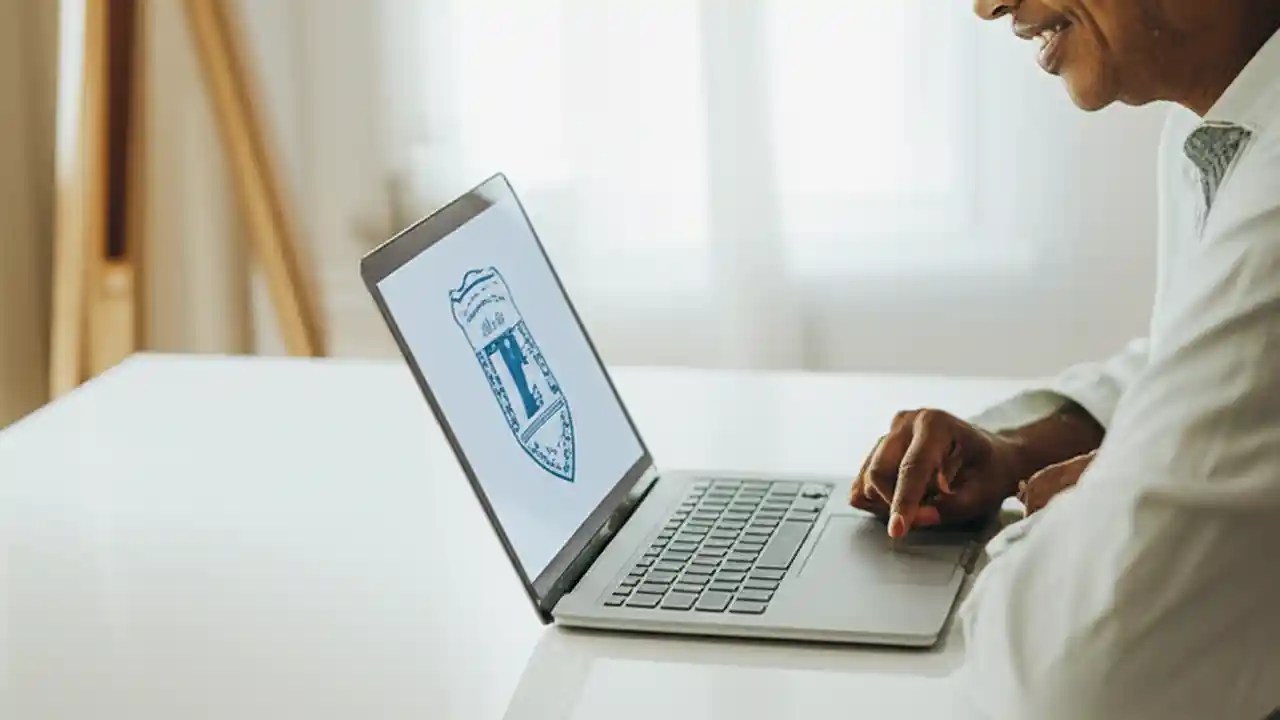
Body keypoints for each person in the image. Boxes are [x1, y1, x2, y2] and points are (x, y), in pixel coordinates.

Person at [849, 1, 1280, 716]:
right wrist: (1015, 450)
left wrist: (1077, 520)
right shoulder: (1215, 138)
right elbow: (1192, 358)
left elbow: (1069, 678)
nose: (989, 6)